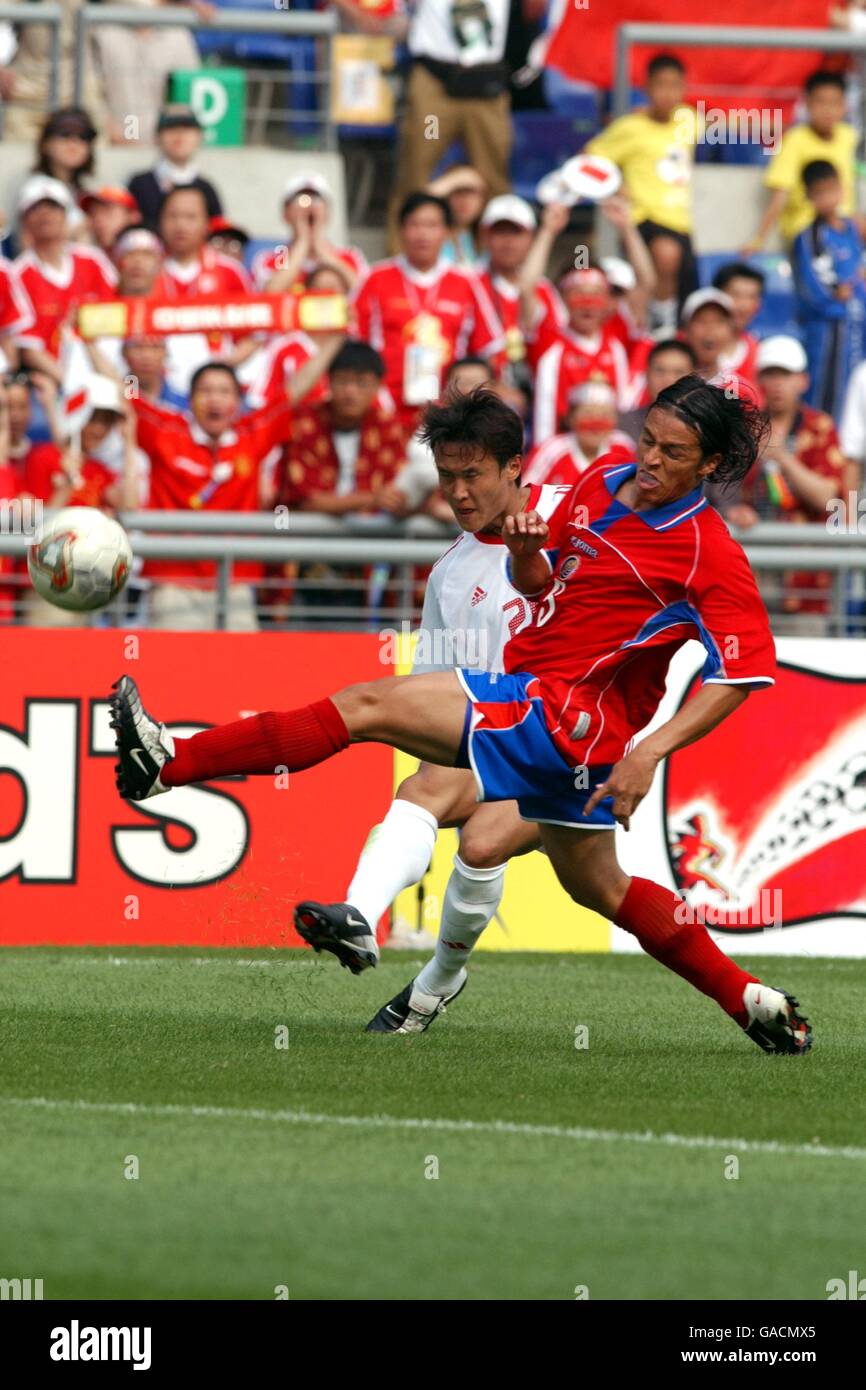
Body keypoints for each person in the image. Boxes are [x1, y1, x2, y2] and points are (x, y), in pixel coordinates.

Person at [111, 384, 812, 1055]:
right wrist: (527, 549)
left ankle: (167, 764)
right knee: (602, 887)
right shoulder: (603, 477)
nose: (651, 461)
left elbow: (745, 673)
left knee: (368, 707)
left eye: (674, 453)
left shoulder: (707, 549)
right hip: (551, 709)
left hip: (566, 714)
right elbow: (539, 585)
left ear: (712, 465)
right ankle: (747, 999)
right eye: (648, 440)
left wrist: (649, 751)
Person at [127, 337, 345, 631]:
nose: (214, 399)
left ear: (236, 401)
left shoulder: (252, 434)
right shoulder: (165, 432)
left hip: (236, 583)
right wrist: (89, 341)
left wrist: (336, 339)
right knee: (174, 673)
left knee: (240, 673)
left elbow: (295, 390)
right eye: (205, 391)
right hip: (173, 583)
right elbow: (122, 392)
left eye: (224, 391)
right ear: (190, 399)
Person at [710, 334, 845, 631]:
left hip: (806, 580)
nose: (778, 383)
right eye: (770, 374)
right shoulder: (744, 430)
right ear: (759, 380)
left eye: (786, 374)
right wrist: (735, 510)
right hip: (749, 574)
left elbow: (829, 496)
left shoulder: (820, 428)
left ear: (803, 381)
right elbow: (720, 489)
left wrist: (781, 456)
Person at [351, 192, 503, 424]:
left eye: (432, 225)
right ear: (401, 230)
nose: (423, 233)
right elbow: (353, 346)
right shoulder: (375, 278)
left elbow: (490, 349)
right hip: (383, 409)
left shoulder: (467, 283)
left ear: (447, 232)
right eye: (415, 225)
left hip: (450, 416)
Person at [386, 0, 514, 250]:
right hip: (435, 81)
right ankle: (399, 264)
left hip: (485, 83)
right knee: (415, 175)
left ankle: (494, 272)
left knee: (494, 180)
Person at [585, 52, 700, 327]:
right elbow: (590, 158)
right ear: (647, 87)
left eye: (675, 86)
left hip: (686, 220)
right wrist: (616, 186)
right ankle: (662, 323)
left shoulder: (691, 120)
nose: (668, 93)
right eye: (661, 85)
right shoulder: (629, 127)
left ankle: (673, 320)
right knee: (665, 253)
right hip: (643, 218)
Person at [13, 176, 117, 383]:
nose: (45, 214)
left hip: (104, 365)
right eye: (35, 208)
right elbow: (28, 349)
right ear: (25, 220)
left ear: (66, 215)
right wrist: (71, 384)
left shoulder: (92, 260)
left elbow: (119, 316)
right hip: (53, 380)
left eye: (53, 207)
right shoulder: (18, 274)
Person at [743, 70, 856, 254]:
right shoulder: (795, 139)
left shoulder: (848, 136)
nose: (828, 110)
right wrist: (758, 239)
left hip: (843, 226)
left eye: (834, 103)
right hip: (808, 227)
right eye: (821, 102)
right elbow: (780, 195)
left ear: (845, 106)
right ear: (807, 104)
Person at [792, 159, 866, 420]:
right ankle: (821, 451)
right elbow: (823, 291)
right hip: (831, 331)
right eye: (820, 192)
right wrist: (853, 283)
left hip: (858, 324)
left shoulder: (853, 229)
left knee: (856, 393)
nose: (828, 197)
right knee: (828, 396)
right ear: (810, 196)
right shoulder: (811, 237)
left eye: (832, 189)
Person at [532, 263, 630, 443]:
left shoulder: (616, 350)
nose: (587, 303)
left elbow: (621, 409)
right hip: (566, 451)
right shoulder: (553, 352)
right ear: (564, 299)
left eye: (595, 294)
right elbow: (545, 420)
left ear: (607, 301)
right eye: (578, 293)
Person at [252, 174, 367, 293]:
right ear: (285, 214)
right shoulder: (274, 258)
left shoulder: (350, 257)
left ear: (328, 213)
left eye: (316, 198)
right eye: (299, 198)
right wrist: (302, 244)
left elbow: (366, 293)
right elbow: (270, 293)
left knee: (327, 279)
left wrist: (327, 256)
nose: (309, 205)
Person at [128, 107, 223, 230]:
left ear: (199, 137)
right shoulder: (139, 185)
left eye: (187, 129)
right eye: (170, 128)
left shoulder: (206, 189)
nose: (179, 136)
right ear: (157, 137)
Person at [523, 380, 635, 486]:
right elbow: (525, 492)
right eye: (587, 414)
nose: (596, 424)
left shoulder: (624, 447)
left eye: (605, 415)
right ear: (570, 418)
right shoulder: (551, 451)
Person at [619, 337, 697, 439]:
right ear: (646, 374)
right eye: (660, 371)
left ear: (694, 378)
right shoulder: (624, 425)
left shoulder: (704, 427)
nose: (668, 381)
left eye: (678, 372)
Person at [427, 165, 489, 265]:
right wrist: (453, 179)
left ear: (483, 200)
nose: (465, 201)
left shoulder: (487, 239)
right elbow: (418, 203)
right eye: (458, 193)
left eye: (471, 194)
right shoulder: (432, 239)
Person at [81, 187, 141, 254]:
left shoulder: (149, 256)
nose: (98, 220)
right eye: (92, 213)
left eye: (107, 211)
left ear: (133, 216)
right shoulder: (85, 255)